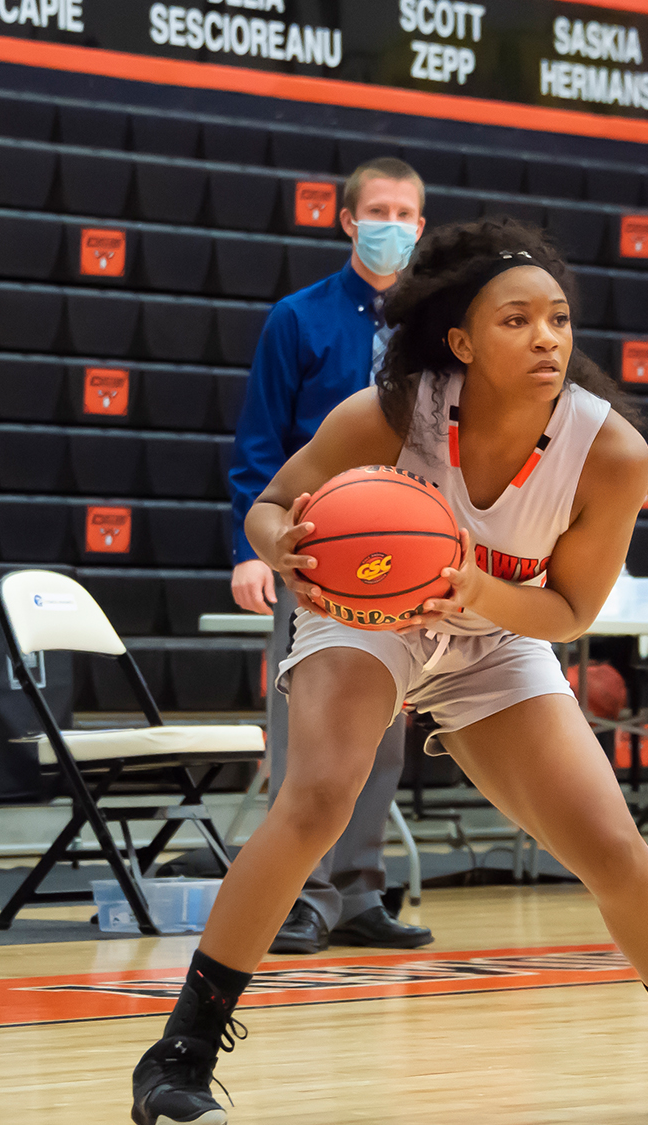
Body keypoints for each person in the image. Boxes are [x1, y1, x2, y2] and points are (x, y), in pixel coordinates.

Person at [132, 219, 648, 1124]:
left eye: (559, 319)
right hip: (369, 614)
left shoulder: (610, 452)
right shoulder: (391, 411)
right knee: (319, 797)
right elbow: (270, 504)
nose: (546, 338)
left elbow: (569, 612)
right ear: (461, 341)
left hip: (498, 629)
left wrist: (477, 589)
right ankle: (179, 1052)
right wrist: (284, 546)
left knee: (612, 846)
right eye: (516, 320)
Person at [226, 157, 434, 955]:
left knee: (384, 726)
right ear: (349, 220)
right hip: (314, 546)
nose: (392, 225)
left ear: (422, 225)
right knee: (305, 723)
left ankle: (358, 890)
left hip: (408, 547)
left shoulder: (438, 325)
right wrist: (252, 548)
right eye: (378, 211)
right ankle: (301, 896)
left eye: (406, 214)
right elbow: (258, 440)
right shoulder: (297, 317)